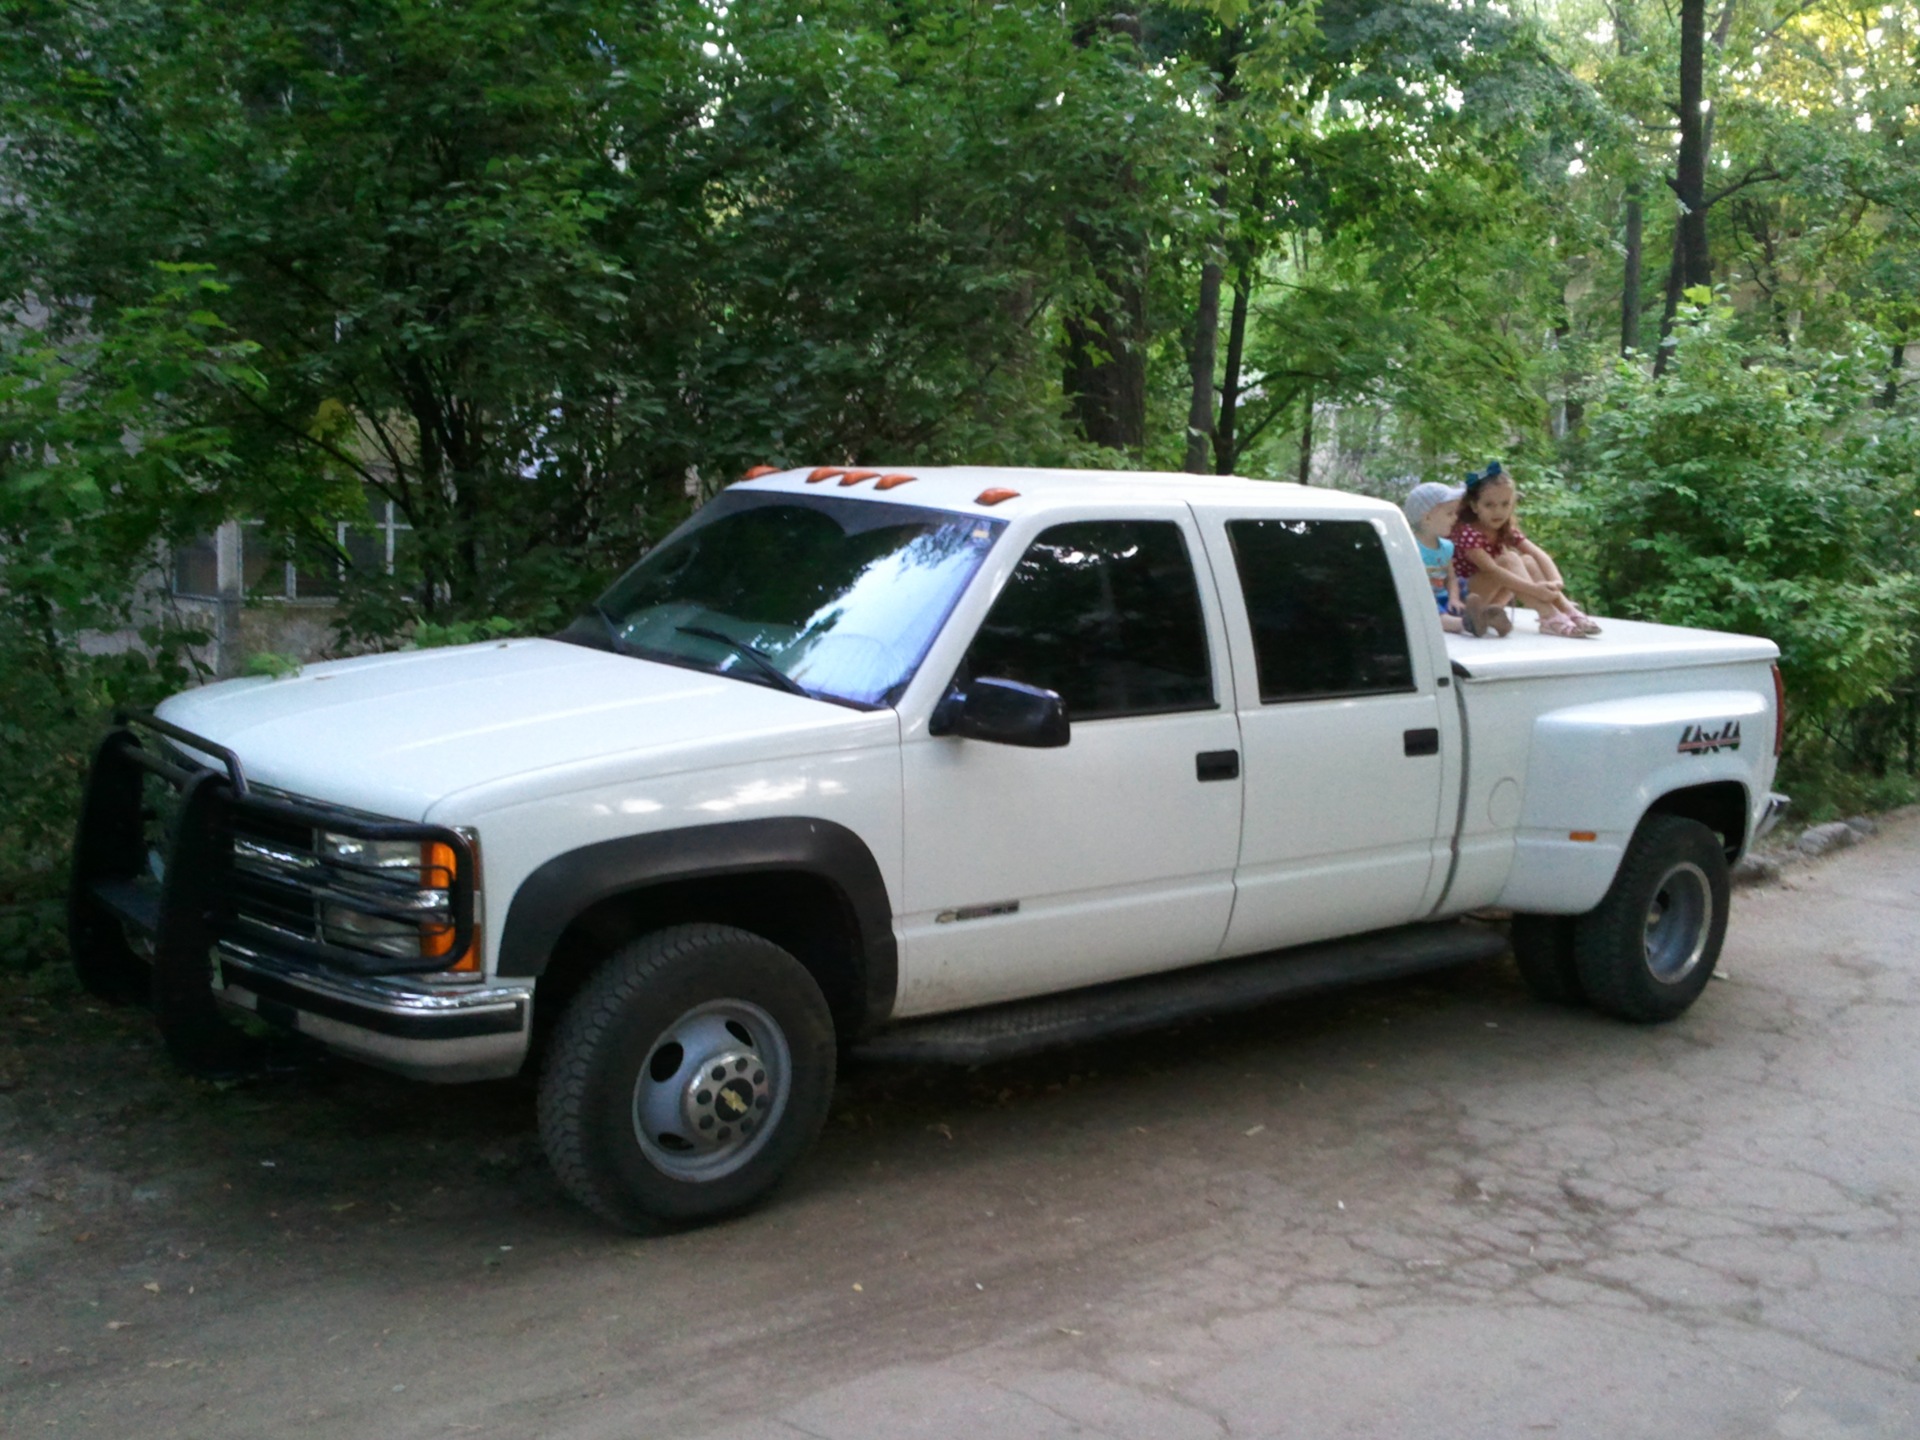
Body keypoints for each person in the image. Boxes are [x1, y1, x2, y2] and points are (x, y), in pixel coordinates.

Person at [1450, 461, 1600, 638]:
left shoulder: (1504, 529)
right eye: (1489, 505)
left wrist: (1556, 583)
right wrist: (1535, 590)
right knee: (1510, 559)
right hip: (1466, 600)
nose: (1498, 511)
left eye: (1505, 504)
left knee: (1527, 560)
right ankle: (1548, 615)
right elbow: (1492, 570)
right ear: (1475, 506)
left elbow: (1536, 553)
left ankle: (1565, 609)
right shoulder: (1467, 532)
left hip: (1491, 599)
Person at [1402, 481, 1503, 636]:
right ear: (1427, 518)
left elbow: (1452, 579)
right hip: (1424, 601)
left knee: (1463, 596)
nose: (1455, 518)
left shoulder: (1446, 547)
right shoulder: (1409, 547)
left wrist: (1454, 599)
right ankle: (1467, 624)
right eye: (1449, 513)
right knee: (1433, 614)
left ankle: (1487, 617)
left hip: (1444, 597)